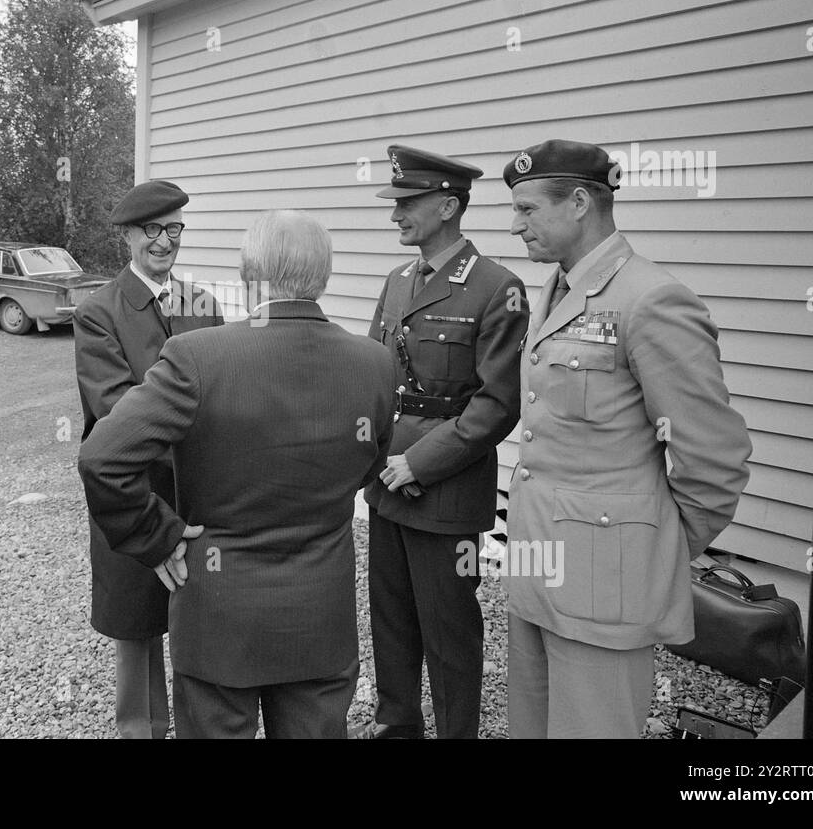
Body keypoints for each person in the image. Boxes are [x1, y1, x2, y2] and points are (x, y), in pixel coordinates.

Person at [78, 211, 395, 739]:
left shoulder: (197, 357)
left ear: (249, 275)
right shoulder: (374, 362)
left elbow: (103, 457)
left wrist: (158, 538)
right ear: (324, 276)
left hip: (219, 612)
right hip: (319, 613)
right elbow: (369, 465)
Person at [504, 138, 751, 738]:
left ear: (581, 202)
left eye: (529, 210)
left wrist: (647, 550)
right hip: (539, 562)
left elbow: (712, 460)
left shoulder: (650, 299)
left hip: (604, 584)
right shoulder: (560, 288)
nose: (515, 226)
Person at [353, 145, 530, 740]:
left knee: (449, 631)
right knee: (391, 621)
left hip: (444, 487)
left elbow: (497, 403)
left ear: (449, 205)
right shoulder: (398, 280)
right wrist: (372, 458)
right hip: (385, 483)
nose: (396, 214)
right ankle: (396, 726)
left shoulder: (496, 288)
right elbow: (379, 376)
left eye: (409, 202)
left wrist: (418, 463)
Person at [72, 179, 223, 739]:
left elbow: (223, 389)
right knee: (137, 630)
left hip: (198, 493)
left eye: (174, 230)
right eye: (152, 231)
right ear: (129, 237)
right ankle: (141, 730)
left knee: (200, 620)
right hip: (135, 494)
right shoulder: (98, 313)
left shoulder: (201, 304)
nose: (164, 242)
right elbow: (112, 411)